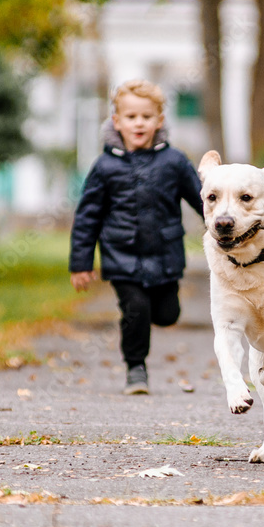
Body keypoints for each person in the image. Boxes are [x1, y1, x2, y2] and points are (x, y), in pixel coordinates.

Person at [69, 80, 203, 395]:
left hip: (166, 255)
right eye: (131, 117)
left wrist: (224, 229)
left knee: (168, 315)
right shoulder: (105, 166)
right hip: (121, 257)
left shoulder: (175, 161)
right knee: (136, 310)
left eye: (146, 116)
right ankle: (136, 369)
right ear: (116, 122)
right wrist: (81, 263)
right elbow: (87, 217)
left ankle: (153, 326)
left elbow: (202, 198)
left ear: (159, 121)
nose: (139, 123)